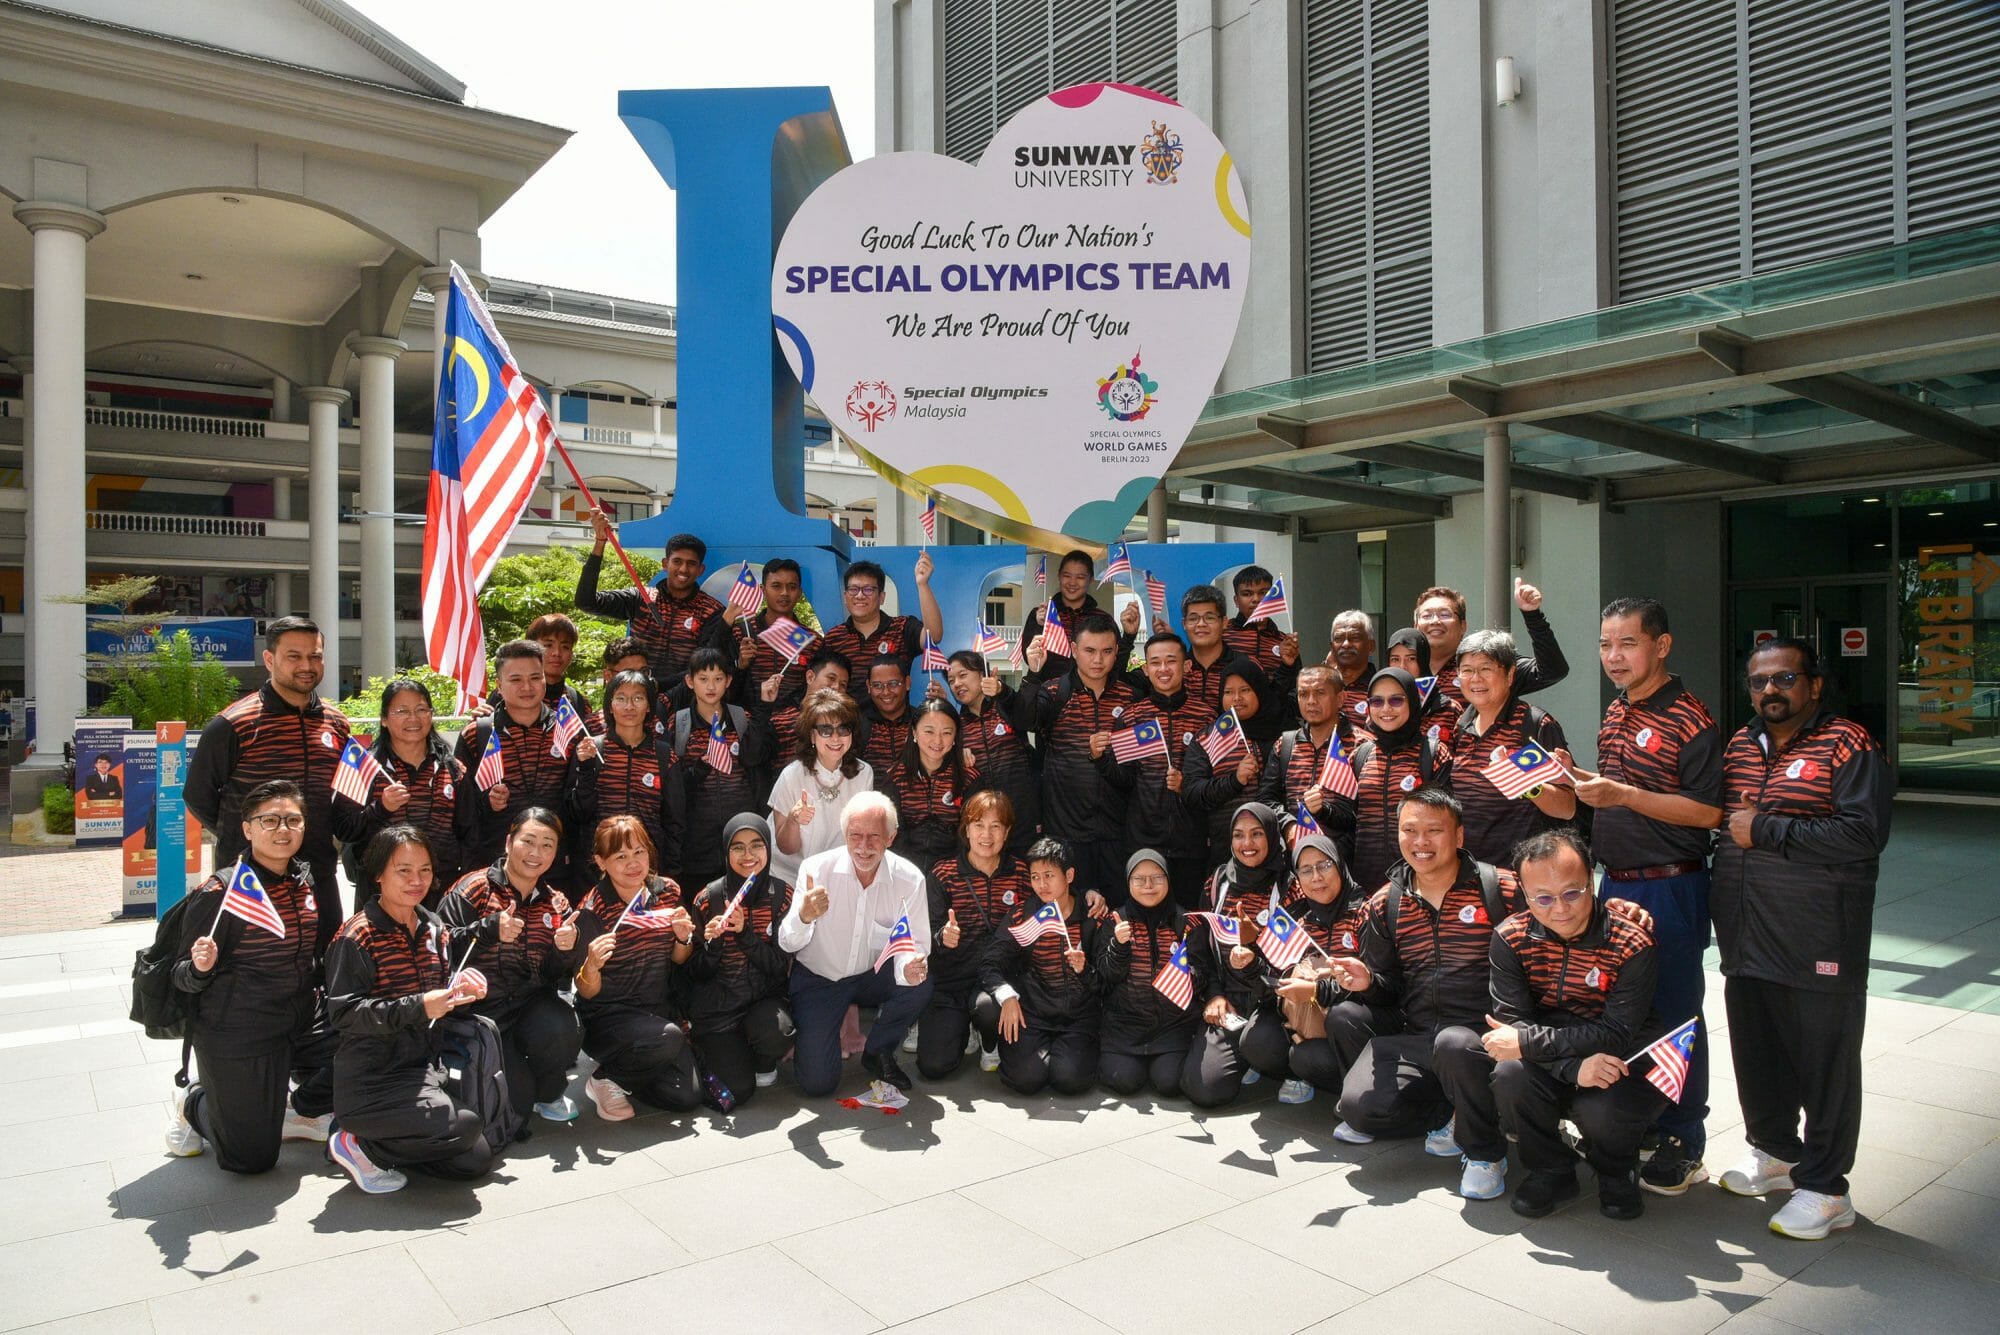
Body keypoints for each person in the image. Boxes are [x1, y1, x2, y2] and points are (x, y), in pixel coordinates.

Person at [1711, 637, 1892, 1240]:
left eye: (1785, 679)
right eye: (1759, 681)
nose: (1770, 690)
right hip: (1747, 934)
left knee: (1824, 1063)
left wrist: (1763, 829)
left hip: (1818, 935)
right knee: (1758, 1052)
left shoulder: (1848, 743)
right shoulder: (1741, 744)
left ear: (1814, 685)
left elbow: (1863, 834)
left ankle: (1826, 1187)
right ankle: (1776, 1154)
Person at [1562, 597, 1725, 1197]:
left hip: (1672, 885)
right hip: (1618, 885)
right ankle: (1644, 1122)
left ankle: (1685, 1139)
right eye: (1606, 645)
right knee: (1625, 1010)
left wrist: (1624, 796)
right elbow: (1617, 794)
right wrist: (1579, 783)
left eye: (1627, 644)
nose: (1614, 657)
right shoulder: (1616, 712)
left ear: (1661, 645)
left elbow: (1709, 810)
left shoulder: (1691, 716)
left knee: (1677, 1012)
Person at [1450, 828, 1671, 1221]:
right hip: (1550, 1060)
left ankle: (1617, 1171)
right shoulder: (1510, 937)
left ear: (1592, 880)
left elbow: (1616, 1032)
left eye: (1573, 893)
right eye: (1543, 898)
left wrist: (1537, 1047)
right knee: (1510, 1075)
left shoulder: (1632, 941)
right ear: (1524, 892)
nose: (1560, 909)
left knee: (1602, 1108)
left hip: (1617, 1057)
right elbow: (1512, 1026)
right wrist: (1571, 1068)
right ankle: (1551, 1168)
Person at [1310, 788, 1523, 1193]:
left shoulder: (1503, 889)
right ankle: (1448, 1108)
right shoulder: (1385, 902)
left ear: (1459, 836)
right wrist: (1368, 981)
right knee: (1359, 1100)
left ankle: (1484, 1152)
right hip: (1420, 1032)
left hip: (1484, 1036)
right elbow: (1388, 989)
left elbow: (1560, 927)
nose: (1421, 842)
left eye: (1433, 830)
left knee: (1456, 1043)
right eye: (1410, 830)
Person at [165, 780, 336, 1171]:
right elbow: (180, 976)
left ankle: (294, 1108)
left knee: (370, 1041)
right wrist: (199, 968)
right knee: (252, 1158)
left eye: (293, 820)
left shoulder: (304, 881)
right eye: (270, 820)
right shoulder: (222, 891)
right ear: (247, 829)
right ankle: (197, 1103)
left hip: (300, 1017)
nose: (283, 829)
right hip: (240, 1026)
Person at [323, 825, 495, 1193]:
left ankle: (384, 1146)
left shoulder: (433, 926)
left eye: (425, 870)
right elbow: (343, 1013)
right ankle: (356, 1141)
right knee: (465, 1126)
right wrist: (419, 1007)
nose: (416, 881)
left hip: (419, 1070)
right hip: (372, 1078)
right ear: (378, 875)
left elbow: (441, 987)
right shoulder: (357, 935)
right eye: (403, 870)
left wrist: (463, 983)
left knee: (475, 1160)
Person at [187, 616, 350, 949]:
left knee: (324, 963)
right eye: (294, 656)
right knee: (254, 972)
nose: (307, 665)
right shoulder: (234, 724)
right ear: (270, 659)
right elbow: (198, 795)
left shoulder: (337, 724)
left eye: (315, 656)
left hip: (318, 872)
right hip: (251, 880)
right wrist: (253, 836)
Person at [780, 792, 934, 1095]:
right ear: (844, 834)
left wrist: (911, 968)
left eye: (874, 837)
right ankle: (808, 1029)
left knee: (921, 984)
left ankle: (879, 1051)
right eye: (855, 836)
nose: (863, 847)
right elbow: (787, 942)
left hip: (869, 972)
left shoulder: (910, 879)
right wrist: (803, 916)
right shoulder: (815, 870)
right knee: (817, 1084)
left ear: (891, 837)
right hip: (820, 978)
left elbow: (912, 943)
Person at [437, 808, 583, 1121]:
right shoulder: (473, 888)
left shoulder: (556, 902)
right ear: (508, 842)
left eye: (547, 845)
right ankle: (515, 1079)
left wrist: (564, 950)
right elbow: (439, 946)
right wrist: (487, 930)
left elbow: (553, 973)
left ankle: (548, 1092)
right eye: (528, 841)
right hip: (479, 1012)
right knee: (515, 1106)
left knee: (563, 1026)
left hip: (528, 1003)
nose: (536, 853)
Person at [572, 816, 704, 1118]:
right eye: (620, 856)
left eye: (639, 852)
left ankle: (624, 1075)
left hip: (656, 1011)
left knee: (687, 1096)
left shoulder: (666, 891)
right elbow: (585, 990)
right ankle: (605, 1077)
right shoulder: (593, 907)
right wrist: (591, 964)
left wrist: (684, 939)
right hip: (608, 1016)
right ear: (601, 862)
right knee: (668, 1037)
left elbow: (678, 959)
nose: (633, 863)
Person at [1013, 611, 1141, 902]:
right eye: (1090, 651)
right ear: (1073, 650)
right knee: (1075, 917)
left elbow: (1134, 769)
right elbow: (1024, 720)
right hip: (1066, 833)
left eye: (1107, 651)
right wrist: (1033, 673)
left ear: (1116, 651)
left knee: (1116, 914)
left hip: (1116, 833)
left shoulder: (1130, 698)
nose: (1098, 660)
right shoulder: (1055, 690)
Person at [454, 639, 599, 885]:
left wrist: (587, 768)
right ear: (499, 685)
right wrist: (488, 802)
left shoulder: (569, 730)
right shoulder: (476, 734)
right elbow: (462, 808)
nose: (527, 687)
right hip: (495, 864)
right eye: (515, 680)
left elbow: (581, 808)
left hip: (557, 865)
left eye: (535, 677)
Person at [1182, 803, 1296, 1107]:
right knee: (1204, 1088)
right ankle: (1243, 1057)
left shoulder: (1288, 884)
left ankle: (1295, 1071)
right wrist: (1214, 994)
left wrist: (1257, 943)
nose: (1247, 844)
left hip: (1272, 1003)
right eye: (1239, 835)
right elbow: (1197, 946)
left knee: (1260, 1044)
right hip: (1229, 1000)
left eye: (1257, 834)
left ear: (1272, 836)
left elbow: (1297, 959)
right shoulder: (1218, 881)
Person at [1100, 632, 1216, 908]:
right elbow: (1123, 779)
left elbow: (1217, 780)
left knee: (1189, 917)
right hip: (1143, 840)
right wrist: (1100, 759)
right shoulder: (1132, 717)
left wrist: (1187, 784)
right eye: (1155, 663)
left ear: (1186, 666)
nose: (1163, 669)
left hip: (1192, 841)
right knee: (1144, 920)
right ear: (1146, 669)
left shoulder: (1207, 716)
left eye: (1171, 661)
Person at [918, 791, 1028, 1079]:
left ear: (1007, 832)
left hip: (996, 981)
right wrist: (943, 936)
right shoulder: (943, 874)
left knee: (988, 1010)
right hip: (951, 982)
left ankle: (989, 1040)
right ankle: (962, 1029)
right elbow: (923, 934)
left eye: (996, 827)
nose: (986, 835)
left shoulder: (1022, 874)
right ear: (966, 830)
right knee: (933, 1066)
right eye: (978, 825)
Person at [984, 837, 1105, 1096]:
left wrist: (1084, 969)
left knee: (1069, 1080)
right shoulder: (1022, 914)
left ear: (1069, 875)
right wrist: (1007, 997)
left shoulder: (1092, 916)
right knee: (1026, 1080)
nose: (1042, 884)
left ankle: (1064, 1055)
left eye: (1049, 875)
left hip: (1079, 1018)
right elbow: (990, 962)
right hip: (1033, 1014)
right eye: (1035, 877)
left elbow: (1108, 979)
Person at [688, 814, 796, 1102]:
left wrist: (745, 934)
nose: (748, 855)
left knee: (777, 1032)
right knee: (737, 1091)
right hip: (719, 1010)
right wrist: (714, 943)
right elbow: (694, 972)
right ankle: (713, 1050)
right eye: (737, 847)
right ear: (726, 851)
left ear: (768, 849)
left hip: (764, 1001)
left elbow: (778, 966)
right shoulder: (708, 898)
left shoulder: (782, 895)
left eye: (756, 846)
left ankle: (762, 1058)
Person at [334, 678, 472, 898]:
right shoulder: (364, 767)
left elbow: (469, 832)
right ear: (385, 719)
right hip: (381, 894)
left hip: (442, 889)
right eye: (402, 711)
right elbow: (343, 829)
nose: (413, 718)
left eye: (421, 709)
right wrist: (380, 808)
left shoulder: (454, 768)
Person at [1450, 629, 1576, 867]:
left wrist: (1524, 782)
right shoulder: (1460, 726)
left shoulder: (1533, 725)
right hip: (1470, 872)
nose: (1475, 678)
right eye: (1467, 670)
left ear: (1510, 675)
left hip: (1523, 873)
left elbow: (1567, 807)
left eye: (1486, 669)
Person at [576, 513, 731, 688]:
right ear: (665, 564)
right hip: (635, 697)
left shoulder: (711, 610)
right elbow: (586, 602)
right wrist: (600, 543)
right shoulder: (640, 598)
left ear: (700, 570)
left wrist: (658, 685)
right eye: (677, 561)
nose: (683, 569)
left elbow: (704, 665)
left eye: (691, 563)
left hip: (682, 701)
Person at [1096, 849, 1204, 1098]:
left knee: (1169, 1083)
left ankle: (1160, 1064)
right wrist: (1119, 946)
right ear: (1128, 882)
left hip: (1172, 1026)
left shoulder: (1186, 922)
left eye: (1157, 877)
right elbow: (1106, 976)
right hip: (1125, 1026)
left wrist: (1186, 975)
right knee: (1124, 1081)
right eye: (1139, 879)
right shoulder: (1116, 920)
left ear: (1168, 879)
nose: (1148, 885)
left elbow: (1204, 973)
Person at [665, 646, 775, 889]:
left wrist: (764, 707)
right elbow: (673, 785)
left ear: (729, 681)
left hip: (741, 832)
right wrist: (698, 771)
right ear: (689, 681)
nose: (711, 686)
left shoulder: (741, 719)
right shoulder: (679, 723)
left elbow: (755, 758)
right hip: (696, 842)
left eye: (718, 679)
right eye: (703, 679)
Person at [1271, 832, 1367, 1105]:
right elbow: (1276, 971)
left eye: (1324, 865)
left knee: (1343, 1016)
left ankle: (1362, 1093)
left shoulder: (1366, 911)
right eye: (1306, 870)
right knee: (1273, 1046)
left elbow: (1379, 986)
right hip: (1314, 1029)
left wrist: (1316, 989)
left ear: (1340, 865)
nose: (1316, 877)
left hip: (1361, 1026)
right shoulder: (1299, 918)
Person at [1414, 580, 1569, 746]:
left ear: (1463, 626)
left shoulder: (1488, 664)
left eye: (1445, 614)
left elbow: (1552, 670)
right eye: (1426, 615)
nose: (1435, 621)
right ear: (1416, 625)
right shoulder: (1402, 671)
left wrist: (1532, 616)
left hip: (1477, 764)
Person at [1348, 667, 1453, 893]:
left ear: (1413, 703)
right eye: (1376, 701)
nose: (1386, 709)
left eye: (1396, 700)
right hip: (1365, 881)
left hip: (1420, 880)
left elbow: (1447, 822)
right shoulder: (1360, 755)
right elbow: (1349, 820)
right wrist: (1322, 811)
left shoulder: (1434, 753)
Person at [1179, 658, 1281, 868]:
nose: (1236, 698)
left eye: (1245, 690)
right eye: (1228, 692)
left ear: (1259, 691)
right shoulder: (1208, 738)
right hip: (1224, 853)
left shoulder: (1283, 737)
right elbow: (1191, 792)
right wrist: (1234, 781)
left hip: (1276, 852)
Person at [768, 687, 872, 887]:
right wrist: (793, 820)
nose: (835, 738)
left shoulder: (864, 773)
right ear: (812, 735)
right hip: (790, 877)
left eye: (843, 729)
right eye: (825, 730)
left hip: (838, 875)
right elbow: (786, 848)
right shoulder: (792, 775)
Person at [582, 669, 679, 873]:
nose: (629, 706)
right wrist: (584, 768)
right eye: (621, 698)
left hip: (648, 866)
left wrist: (672, 867)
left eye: (638, 698)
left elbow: (674, 819)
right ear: (610, 705)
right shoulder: (594, 750)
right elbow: (578, 811)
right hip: (600, 864)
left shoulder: (663, 754)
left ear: (648, 706)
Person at [947, 650, 1039, 852]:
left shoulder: (1005, 705)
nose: (957, 684)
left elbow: (1027, 715)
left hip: (1024, 822)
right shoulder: (956, 725)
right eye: (951, 680)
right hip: (986, 833)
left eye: (963, 675)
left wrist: (1002, 691)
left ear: (982, 674)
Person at [1260, 665, 1358, 853]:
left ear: (1340, 699)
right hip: (1295, 857)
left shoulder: (1362, 746)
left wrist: (1325, 813)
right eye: (1303, 694)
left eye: (1320, 693)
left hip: (1346, 862)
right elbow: (1266, 798)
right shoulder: (1286, 744)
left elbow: (1367, 814)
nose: (1311, 701)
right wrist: (1289, 826)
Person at [881, 698, 980, 878]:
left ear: (956, 736)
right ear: (914, 733)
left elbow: (970, 835)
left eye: (947, 732)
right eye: (929, 731)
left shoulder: (969, 778)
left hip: (954, 875)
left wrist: (950, 875)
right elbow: (893, 833)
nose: (938, 740)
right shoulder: (895, 777)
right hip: (904, 872)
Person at [818, 557, 944, 696]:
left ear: (882, 597)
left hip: (895, 717)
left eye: (868, 589)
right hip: (847, 717)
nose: (860, 595)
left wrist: (922, 584)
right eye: (853, 589)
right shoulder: (833, 638)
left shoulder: (901, 628)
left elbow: (933, 636)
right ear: (845, 596)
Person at [729, 557, 815, 710]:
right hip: (749, 726)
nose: (784, 593)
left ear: (800, 592)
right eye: (776, 586)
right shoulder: (741, 632)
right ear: (763, 590)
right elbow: (725, 692)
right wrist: (741, 666)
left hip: (793, 727)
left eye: (792, 587)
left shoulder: (811, 641)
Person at [1019, 548, 1110, 682]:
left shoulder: (1102, 618)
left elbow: (1114, 662)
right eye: (1067, 575)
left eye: (1080, 577)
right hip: (1048, 694)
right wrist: (1040, 626)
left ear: (1091, 580)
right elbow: (1030, 659)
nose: (1072, 583)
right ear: (1059, 576)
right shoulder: (1040, 615)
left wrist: (1129, 635)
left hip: (1089, 696)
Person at [1223, 565, 1301, 694]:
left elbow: (1295, 688)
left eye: (1263, 593)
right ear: (1236, 601)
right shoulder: (1223, 634)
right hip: (1231, 710)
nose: (1256, 599)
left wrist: (1288, 665)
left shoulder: (1285, 641)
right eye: (1247, 594)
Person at [760, 647, 852, 757]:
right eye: (831, 678)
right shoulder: (781, 720)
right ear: (810, 677)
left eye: (843, 685)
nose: (836, 687)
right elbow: (753, 756)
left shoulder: (848, 725)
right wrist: (764, 706)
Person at [1325, 610, 1378, 734]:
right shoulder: (1320, 685)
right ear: (1332, 647)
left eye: (1354, 638)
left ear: (1371, 646)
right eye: (1339, 639)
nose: (1346, 644)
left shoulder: (1380, 688)